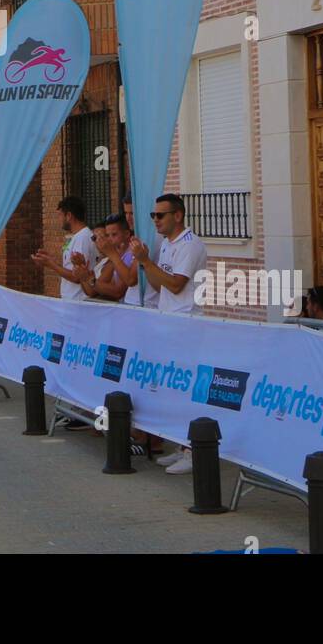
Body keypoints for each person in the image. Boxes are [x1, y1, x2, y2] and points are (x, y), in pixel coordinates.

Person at [130, 194, 206, 475]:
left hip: (186, 324)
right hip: (169, 324)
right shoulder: (166, 245)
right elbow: (157, 283)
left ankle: (195, 450)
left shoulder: (191, 245)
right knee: (174, 390)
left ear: (178, 215)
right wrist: (145, 263)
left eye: (160, 215)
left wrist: (144, 260)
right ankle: (182, 445)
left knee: (188, 391)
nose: (156, 221)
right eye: (153, 216)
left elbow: (175, 285)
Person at [31, 196, 97, 301]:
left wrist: (51, 264)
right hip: (71, 300)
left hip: (78, 301)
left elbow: (77, 276)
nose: (59, 220)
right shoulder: (77, 236)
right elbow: (71, 268)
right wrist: (50, 260)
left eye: (60, 215)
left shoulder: (83, 237)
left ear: (69, 215)